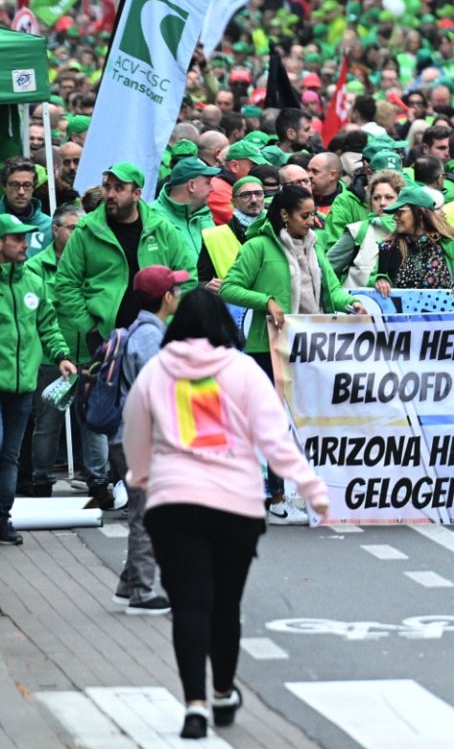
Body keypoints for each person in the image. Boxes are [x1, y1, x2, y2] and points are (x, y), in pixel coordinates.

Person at [123, 289, 330, 739]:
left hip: (174, 502)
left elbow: (134, 430)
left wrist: (141, 476)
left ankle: (194, 704)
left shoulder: (157, 371)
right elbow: (274, 437)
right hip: (236, 504)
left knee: (190, 605)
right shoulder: (242, 370)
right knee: (225, 606)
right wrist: (310, 484)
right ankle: (222, 693)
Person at [52, 163, 197, 507]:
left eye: (119, 187)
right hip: (108, 339)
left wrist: (175, 321)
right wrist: (90, 324)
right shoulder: (88, 230)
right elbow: (66, 284)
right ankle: (114, 481)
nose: (111, 194)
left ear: (137, 193)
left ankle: (152, 485)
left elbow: (188, 277)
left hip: (155, 336)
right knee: (111, 411)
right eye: (107, 186)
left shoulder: (160, 227)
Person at [220, 185, 367, 520]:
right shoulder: (258, 247)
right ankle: (274, 497)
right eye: (305, 215)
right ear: (284, 215)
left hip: (308, 349)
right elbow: (229, 287)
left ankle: (296, 490)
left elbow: (332, 289)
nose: (312, 220)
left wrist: (349, 303)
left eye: (314, 213)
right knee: (273, 422)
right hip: (266, 348)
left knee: (304, 422)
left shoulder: (314, 247)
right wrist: (265, 301)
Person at [108, 264, 183, 612]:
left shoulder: (137, 330)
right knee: (148, 517)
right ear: (166, 297)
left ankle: (127, 585)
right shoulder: (151, 338)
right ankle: (141, 593)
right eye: (176, 289)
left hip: (128, 436)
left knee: (144, 510)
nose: (180, 294)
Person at [0, 211, 75, 544]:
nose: (24, 244)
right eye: (16, 239)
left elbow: (47, 323)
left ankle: (2, 520)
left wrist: (61, 356)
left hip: (23, 387)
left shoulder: (32, 280)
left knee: (10, 455)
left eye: (25, 238)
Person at [372, 184, 454, 295]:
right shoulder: (389, 249)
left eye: (400, 212)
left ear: (419, 214)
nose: (395, 217)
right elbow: (372, 284)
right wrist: (379, 280)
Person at [321, 170, 401, 287]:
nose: (382, 203)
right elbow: (327, 269)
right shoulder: (358, 230)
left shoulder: (411, 233)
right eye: (376, 198)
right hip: (358, 302)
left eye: (389, 197)